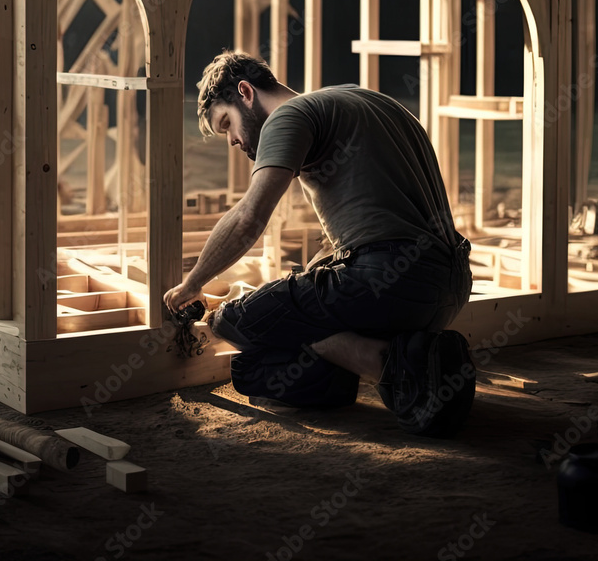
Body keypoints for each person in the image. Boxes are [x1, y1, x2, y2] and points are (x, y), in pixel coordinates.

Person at [163, 51, 475, 437]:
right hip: (450, 286)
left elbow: (249, 218)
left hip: (391, 283)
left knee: (238, 324)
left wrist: (193, 284)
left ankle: (395, 368)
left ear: (245, 92)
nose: (232, 141)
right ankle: (409, 356)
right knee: (290, 313)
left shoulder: (288, 117)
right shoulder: (364, 100)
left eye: (227, 123)